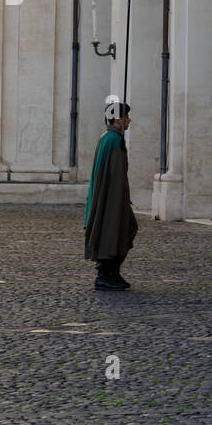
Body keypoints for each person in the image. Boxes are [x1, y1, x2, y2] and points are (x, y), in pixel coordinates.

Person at [84, 101, 138, 291]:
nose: (129, 120)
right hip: (111, 199)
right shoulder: (114, 139)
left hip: (110, 197)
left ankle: (112, 271)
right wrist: (119, 201)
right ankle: (105, 274)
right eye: (126, 117)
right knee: (116, 230)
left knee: (126, 228)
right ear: (117, 120)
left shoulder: (109, 137)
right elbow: (115, 175)